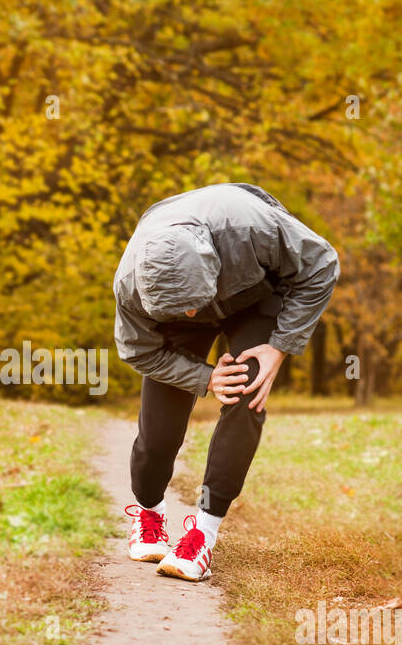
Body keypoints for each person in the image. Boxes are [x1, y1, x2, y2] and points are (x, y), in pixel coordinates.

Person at [114, 183, 339, 580]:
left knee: (247, 388)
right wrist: (205, 376)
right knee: (158, 433)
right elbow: (138, 350)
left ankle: (203, 532)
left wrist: (280, 346)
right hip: (175, 299)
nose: (189, 313)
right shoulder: (132, 282)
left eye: (191, 304)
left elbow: (321, 264)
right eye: (177, 308)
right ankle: (149, 512)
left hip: (251, 295)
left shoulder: (253, 226)